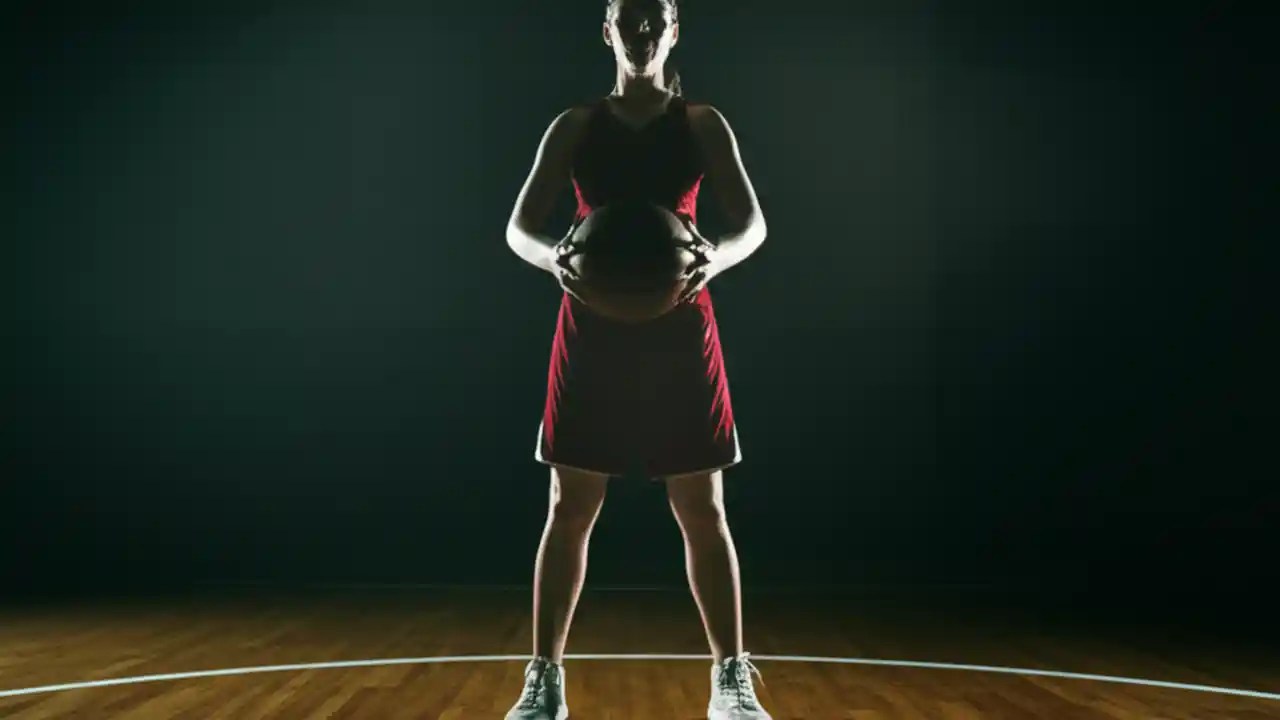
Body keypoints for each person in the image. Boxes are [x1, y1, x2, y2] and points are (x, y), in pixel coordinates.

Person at [502, 0, 770, 717]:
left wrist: (716, 256)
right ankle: (544, 682)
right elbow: (520, 229)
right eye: (631, 21)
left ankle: (731, 681)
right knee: (569, 503)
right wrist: (552, 256)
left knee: (701, 506)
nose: (644, 34)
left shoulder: (701, 124)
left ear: (675, 29)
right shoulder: (576, 126)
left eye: (656, 21)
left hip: (681, 318)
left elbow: (751, 225)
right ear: (608, 30)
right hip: (591, 322)